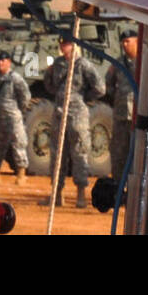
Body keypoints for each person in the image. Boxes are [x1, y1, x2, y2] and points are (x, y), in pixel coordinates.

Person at [41, 36, 105, 208]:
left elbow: (100, 88)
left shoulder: (83, 64)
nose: (63, 47)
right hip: (59, 113)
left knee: (79, 153)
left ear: (74, 45)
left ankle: (81, 196)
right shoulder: (57, 64)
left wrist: (83, 99)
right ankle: (57, 194)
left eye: (67, 43)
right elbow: (48, 84)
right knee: (57, 155)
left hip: (77, 115)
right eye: (62, 44)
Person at [0, 50, 32, 185]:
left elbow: (25, 96)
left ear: (9, 63)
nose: (0, 63)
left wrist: (18, 109)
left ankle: (21, 174)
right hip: (0, 115)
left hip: (13, 115)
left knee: (18, 143)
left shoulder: (15, 78)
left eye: (3, 60)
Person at [105, 30, 138, 184]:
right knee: (118, 155)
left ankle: (134, 191)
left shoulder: (146, 63)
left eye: (128, 41)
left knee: (137, 157)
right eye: (123, 42)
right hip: (121, 117)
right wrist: (119, 98)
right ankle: (118, 189)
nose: (125, 45)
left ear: (137, 41)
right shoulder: (117, 64)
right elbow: (108, 85)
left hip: (138, 119)